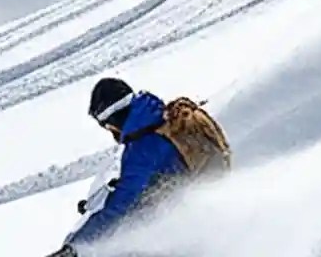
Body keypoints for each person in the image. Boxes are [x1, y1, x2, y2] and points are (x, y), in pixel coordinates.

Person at [52, 77, 231, 256]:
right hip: (186, 198)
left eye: (108, 127)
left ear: (114, 119)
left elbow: (121, 205)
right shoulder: (157, 119)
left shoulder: (142, 146)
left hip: (177, 218)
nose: (112, 132)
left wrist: (75, 247)